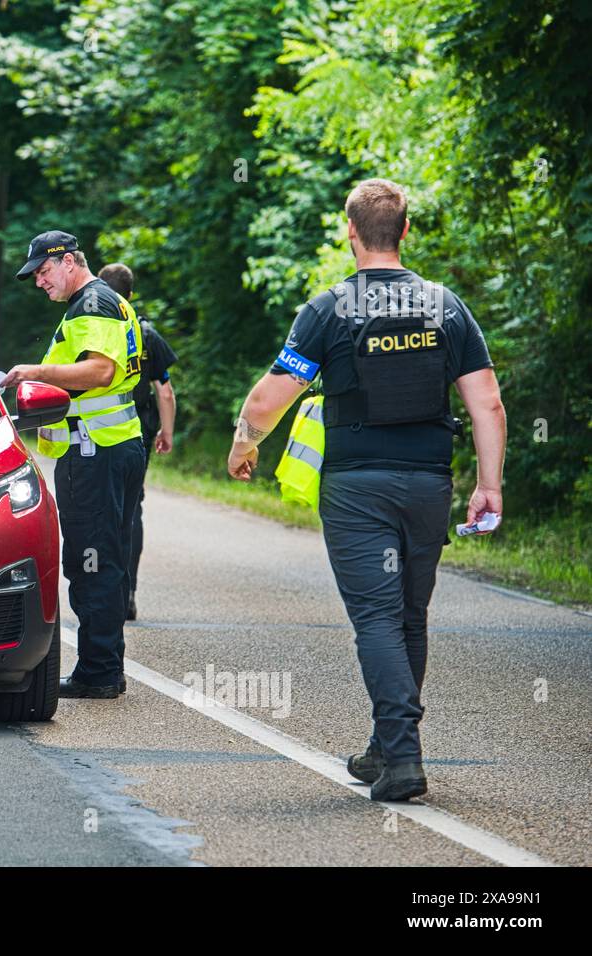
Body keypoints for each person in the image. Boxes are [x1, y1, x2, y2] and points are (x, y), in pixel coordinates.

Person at [225, 179, 506, 801]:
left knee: (377, 618)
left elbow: (272, 396)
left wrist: (244, 446)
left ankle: (404, 760)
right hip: (430, 482)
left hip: (356, 486)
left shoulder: (328, 309)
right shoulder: (445, 306)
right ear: (405, 231)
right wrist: (489, 485)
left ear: (349, 231)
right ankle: (386, 746)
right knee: (408, 615)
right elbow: (486, 400)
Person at [4, 231, 146, 699]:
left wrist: (33, 371)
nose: (40, 283)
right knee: (106, 558)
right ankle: (104, 666)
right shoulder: (108, 301)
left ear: (68, 262)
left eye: (43, 273)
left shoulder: (91, 304)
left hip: (94, 452)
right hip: (110, 448)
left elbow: (99, 371)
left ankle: (99, 672)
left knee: (93, 563)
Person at [98, 262, 178, 621]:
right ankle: (127, 591)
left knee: (100, 508)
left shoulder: (93, 329)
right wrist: (167, 432)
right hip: (138, 434)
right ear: (131, 295)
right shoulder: (146, 334)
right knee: (131, 509)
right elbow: (165, 392)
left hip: (96, 432)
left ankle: (101, 591)